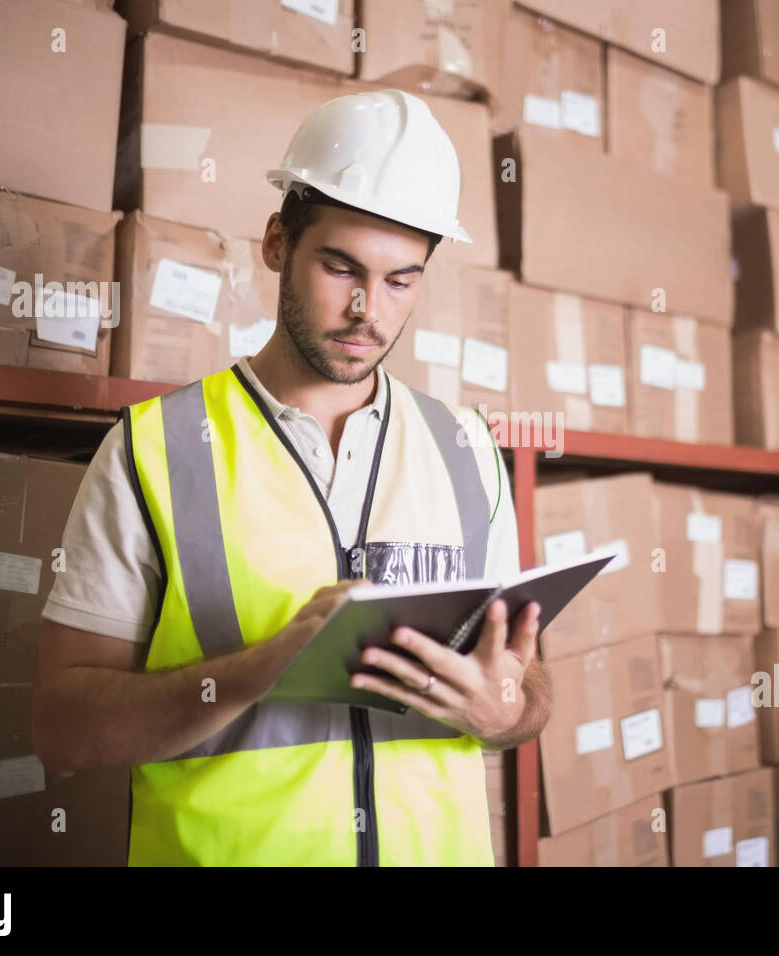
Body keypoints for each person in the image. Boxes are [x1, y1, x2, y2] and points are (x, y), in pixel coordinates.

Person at [32, 89, 552, 866]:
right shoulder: (155, 450)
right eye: (340, 267)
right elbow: (62, 733)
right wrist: (260, 669)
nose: (366, 310)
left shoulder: (468, 451)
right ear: (277, 242)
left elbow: (533, 685)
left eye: (400, 280)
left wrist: (503, 708)